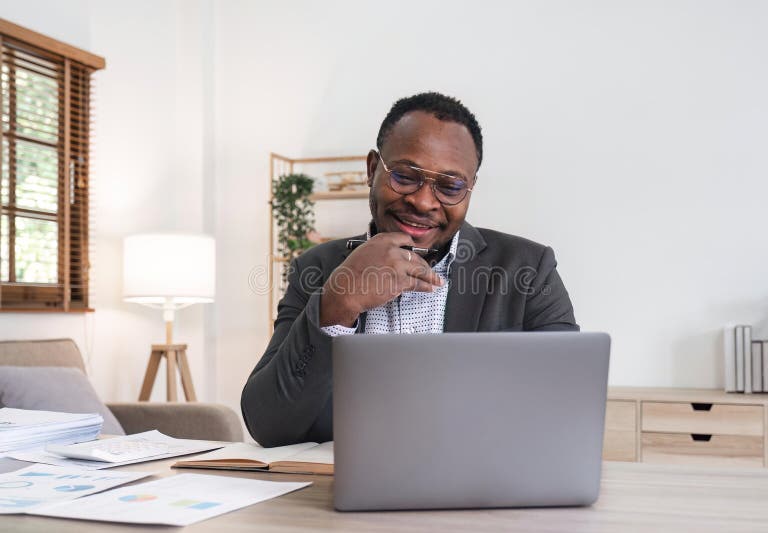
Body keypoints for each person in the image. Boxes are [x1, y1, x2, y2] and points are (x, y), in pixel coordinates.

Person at [241, 92, 579, 447]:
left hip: (479, 490)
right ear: (372, 169)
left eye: (450, 186)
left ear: (470, 188)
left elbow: (569, 411)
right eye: (404, 176)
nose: (423, 201)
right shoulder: (316, 269)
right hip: (337, 490)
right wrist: (337, 304)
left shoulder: (529, 269)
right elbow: (268, 425)